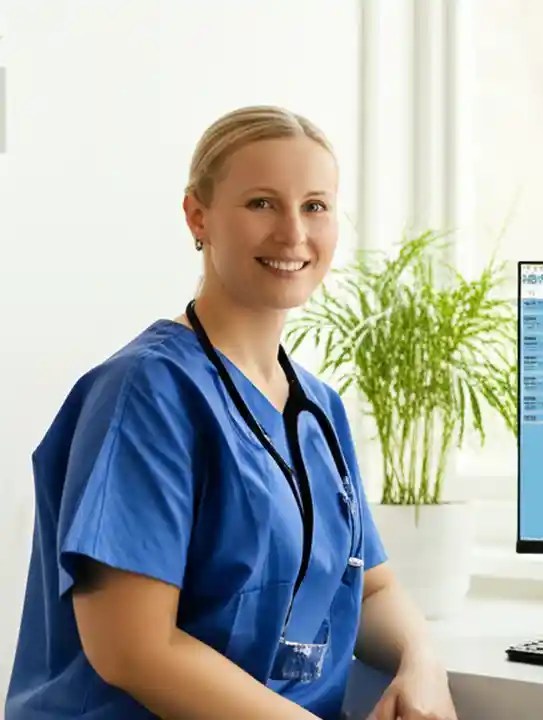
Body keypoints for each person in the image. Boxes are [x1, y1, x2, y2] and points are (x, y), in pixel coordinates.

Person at [5, 106, 458, 720]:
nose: (293, 233)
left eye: (316, 206)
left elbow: (371, 585)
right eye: (262, 203)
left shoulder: (317, 410)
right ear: (198, 216)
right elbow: (134, 649)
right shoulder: (146, 393)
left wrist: (421, 661)